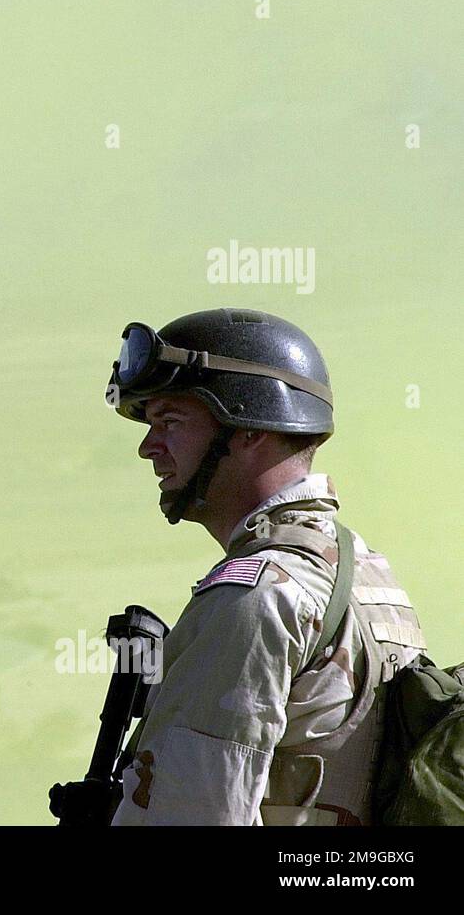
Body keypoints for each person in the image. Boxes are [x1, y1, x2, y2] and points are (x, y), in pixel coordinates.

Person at [103, 308, 427, 825]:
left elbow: (198, 814)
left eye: (171, 421)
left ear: (248, 426)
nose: (148, 447)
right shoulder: (364, 572)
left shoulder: (258, 596)